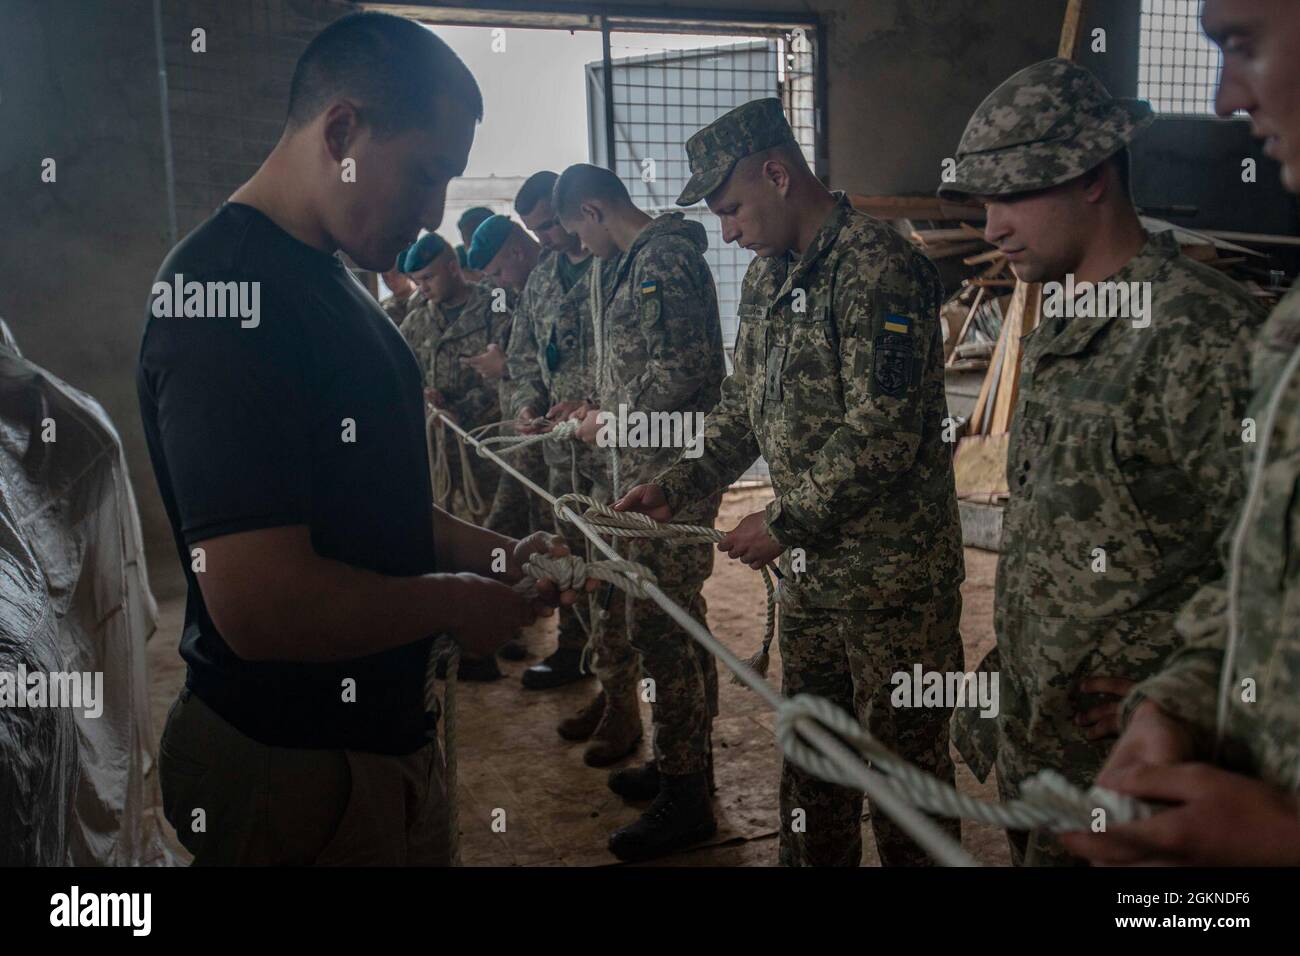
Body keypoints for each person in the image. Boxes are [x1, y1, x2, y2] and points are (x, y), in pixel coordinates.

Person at [139, 12, 582, 865]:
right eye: (425, 174)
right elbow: (262, 605)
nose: (433, 212)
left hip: (374, 747)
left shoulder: (330, 279)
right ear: (341, 129)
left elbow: (382, 511)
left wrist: (497, 557)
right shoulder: (225, 297)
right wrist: (457, 603)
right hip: (294, 768)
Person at [616, 98, 966, 866]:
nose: (730, 231)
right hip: (810, 577)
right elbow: (745, 405)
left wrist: (785, 518)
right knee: (813, 763)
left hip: (889, 588)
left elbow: (885, 429)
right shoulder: (768, 279)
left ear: (778, 173)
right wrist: (684, 482)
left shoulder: (880, 268)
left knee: (902, 778)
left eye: (734, 208)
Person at [938, 58, 1267, 865]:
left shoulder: (1204, 337)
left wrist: (1198, 702)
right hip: (1045, 754)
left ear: (1092, 179)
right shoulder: (1066, 325)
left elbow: (1277, 566)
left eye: (1012, 195)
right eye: (983, 202)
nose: (990, 228)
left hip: (1135, 782)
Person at [1061, 0, 1300, 867]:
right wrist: (1176, 705)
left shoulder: (1214, 329)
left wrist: (1280, 839)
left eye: (1242, 45)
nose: (1226, 95)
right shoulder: (1290, 334)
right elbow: (1261, 587)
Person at [555, 162, 726, 861]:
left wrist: (612, 420)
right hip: (650, 471)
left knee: (664, 625)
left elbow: (683, 370)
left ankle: (687, 795)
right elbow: (641, 365)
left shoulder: (658, 261)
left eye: (576, 233)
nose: (580, 248)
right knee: (673, 621)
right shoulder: (638, 262)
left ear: (593, 211)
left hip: (670, 475)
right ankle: (684, 763)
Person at [501, 171, 643, 759]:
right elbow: (522, 358)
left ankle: (628, 707)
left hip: (622, 459)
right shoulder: (541, 281)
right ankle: (601, 684)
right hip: (565, 460)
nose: (550, 238)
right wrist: (526, 405)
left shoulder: (615, 267)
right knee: (576, 576)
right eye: (538, 231)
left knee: (624, 592)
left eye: (551, 227)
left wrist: (601, 413)